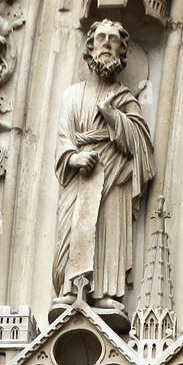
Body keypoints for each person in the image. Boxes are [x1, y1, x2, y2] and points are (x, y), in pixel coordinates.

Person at [52, 20, 155, 318]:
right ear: (90, 47)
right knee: (73, 229)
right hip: (81, 174)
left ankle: (106, 290)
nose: (107, 44)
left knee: (109, 227)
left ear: (123, 53)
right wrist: (73, 159)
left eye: (113, 41)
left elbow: (141, 145)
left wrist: (113, 117)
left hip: (113, 174)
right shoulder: (72, 95)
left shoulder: (125, 98)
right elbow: (62, 137)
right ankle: (71, 288)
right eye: (101, 39)